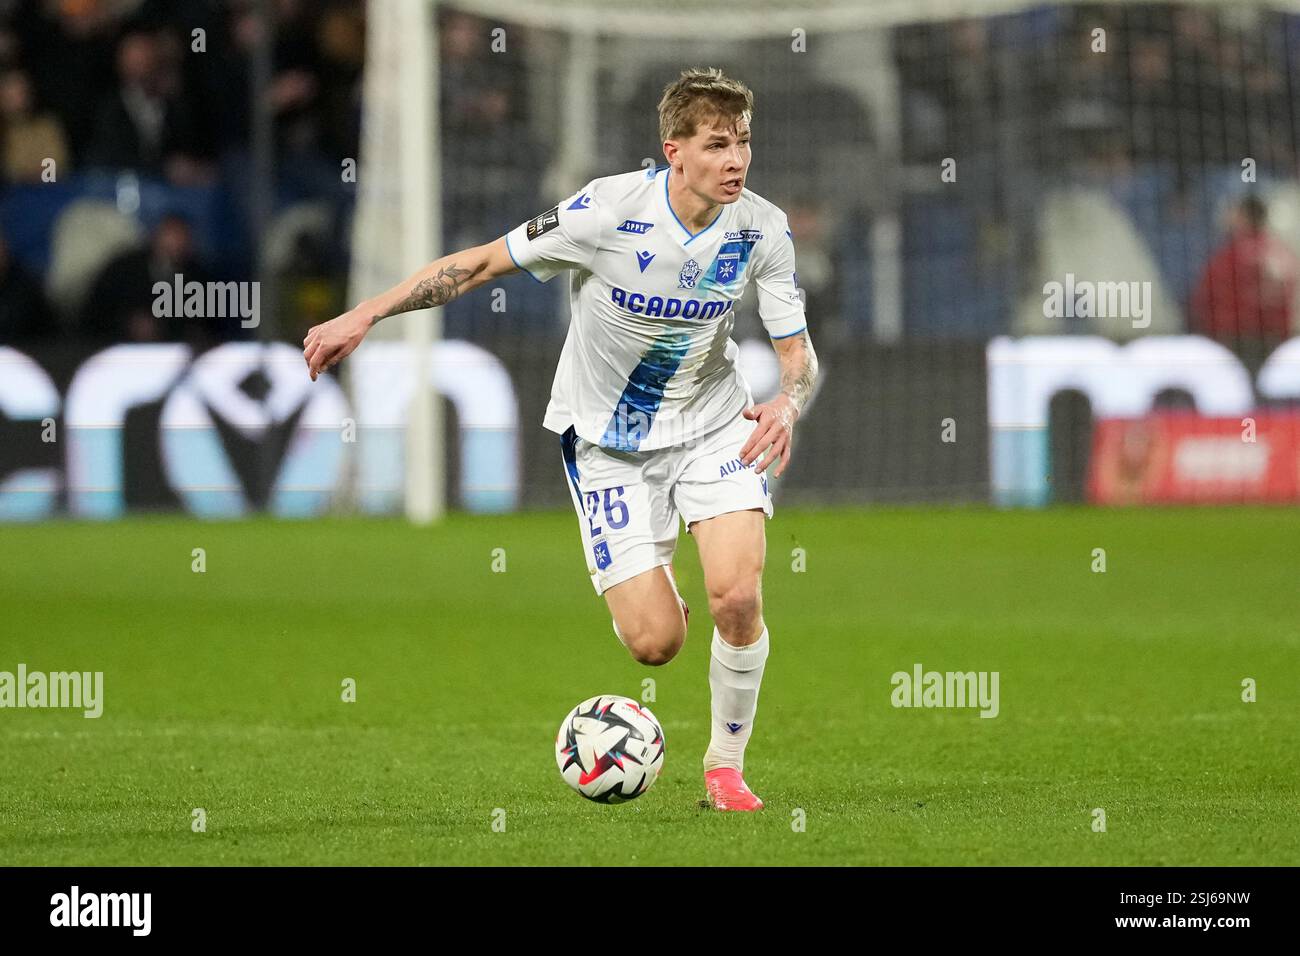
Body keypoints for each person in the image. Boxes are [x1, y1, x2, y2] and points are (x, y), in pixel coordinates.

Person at [302, 68, 819, 812]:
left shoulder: (761, 227)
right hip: (608, 444)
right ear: (674, 151)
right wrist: (367, 314)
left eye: (743, 142)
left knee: (737, 597)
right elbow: (476, 265)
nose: (736, 158)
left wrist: (789, 405)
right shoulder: (605, 210)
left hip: (714, 426)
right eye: (716, 144)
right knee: (656, 644)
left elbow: (796, 352)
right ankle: (650, 569)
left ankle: (724, 770)